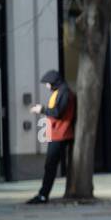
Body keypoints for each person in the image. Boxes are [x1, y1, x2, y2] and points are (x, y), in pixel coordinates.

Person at [27, 69, 75, 204]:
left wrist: (41, 109)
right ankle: (43, 194)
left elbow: (58, 112)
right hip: (56, 133)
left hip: (60, 134)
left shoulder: (64, 92)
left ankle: (43, 195)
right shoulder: (60, 92)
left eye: (47, 83)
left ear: (53, 82)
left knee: (50, 165)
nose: (47, 86)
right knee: (50, 165)